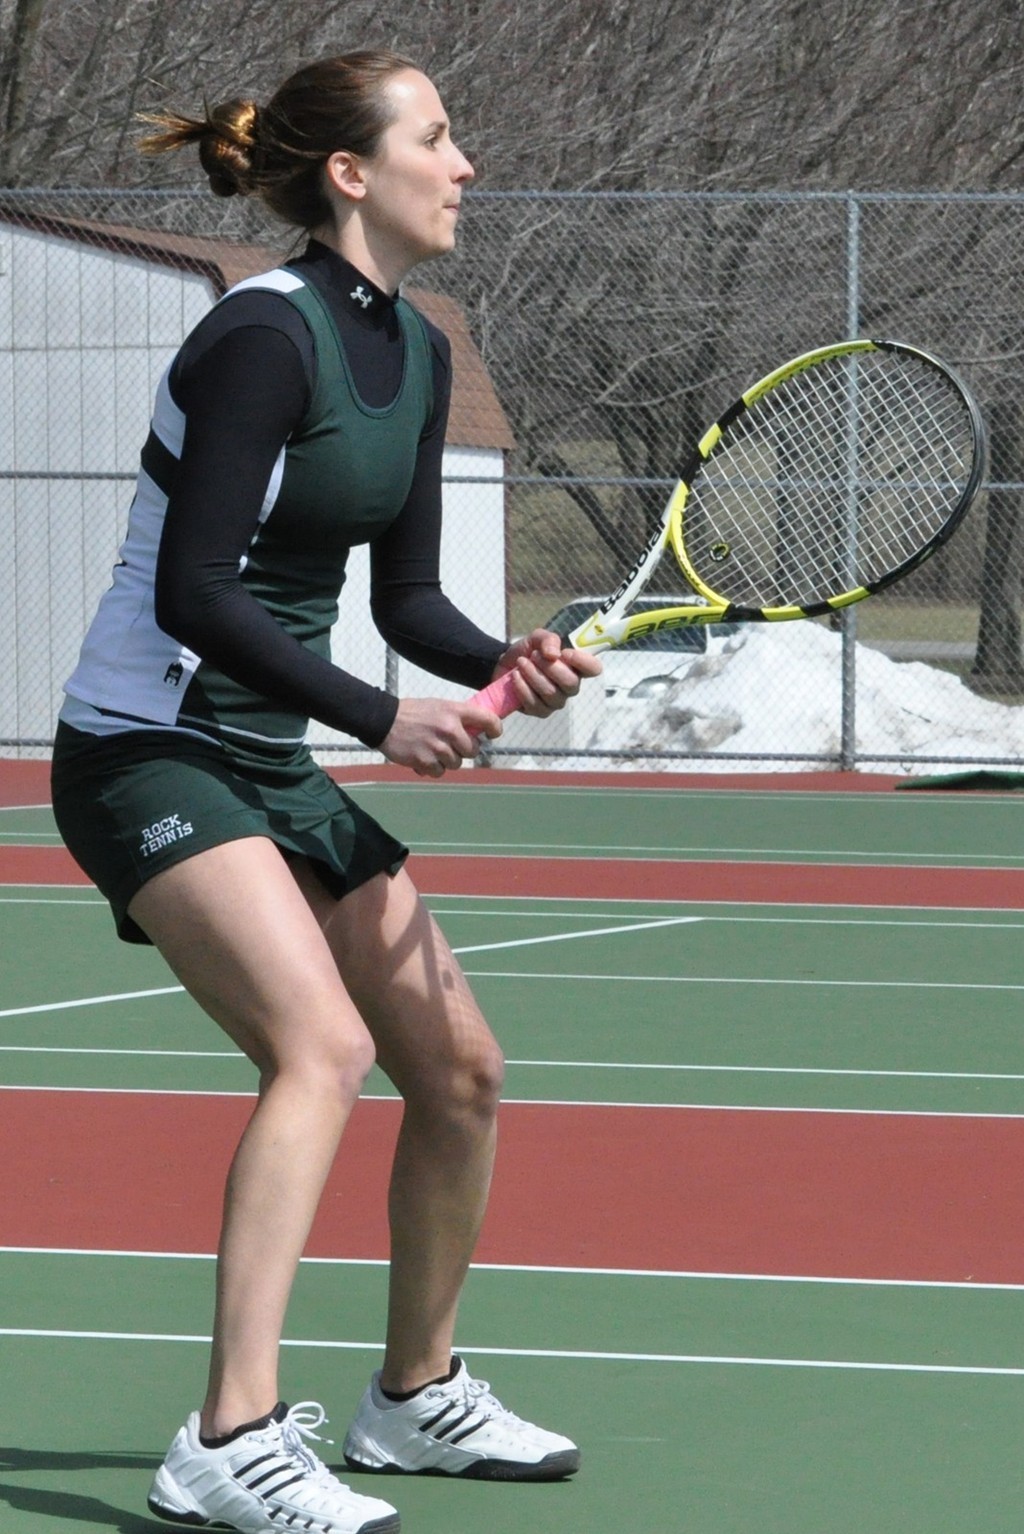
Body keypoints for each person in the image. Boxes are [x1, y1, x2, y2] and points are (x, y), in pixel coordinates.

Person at [50, 49, 601, 1534]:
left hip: (272, 755)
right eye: (440, 135)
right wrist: (382, 718)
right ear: (352, 174)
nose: (466, 162)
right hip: (147, 747)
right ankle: (225, 1436)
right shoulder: (260, 339)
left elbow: (412, 598)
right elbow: (194, 590)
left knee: (463, 1071)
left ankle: (412, 1396)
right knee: (322, 1046)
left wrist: (502, 660)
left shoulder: (416, 350)